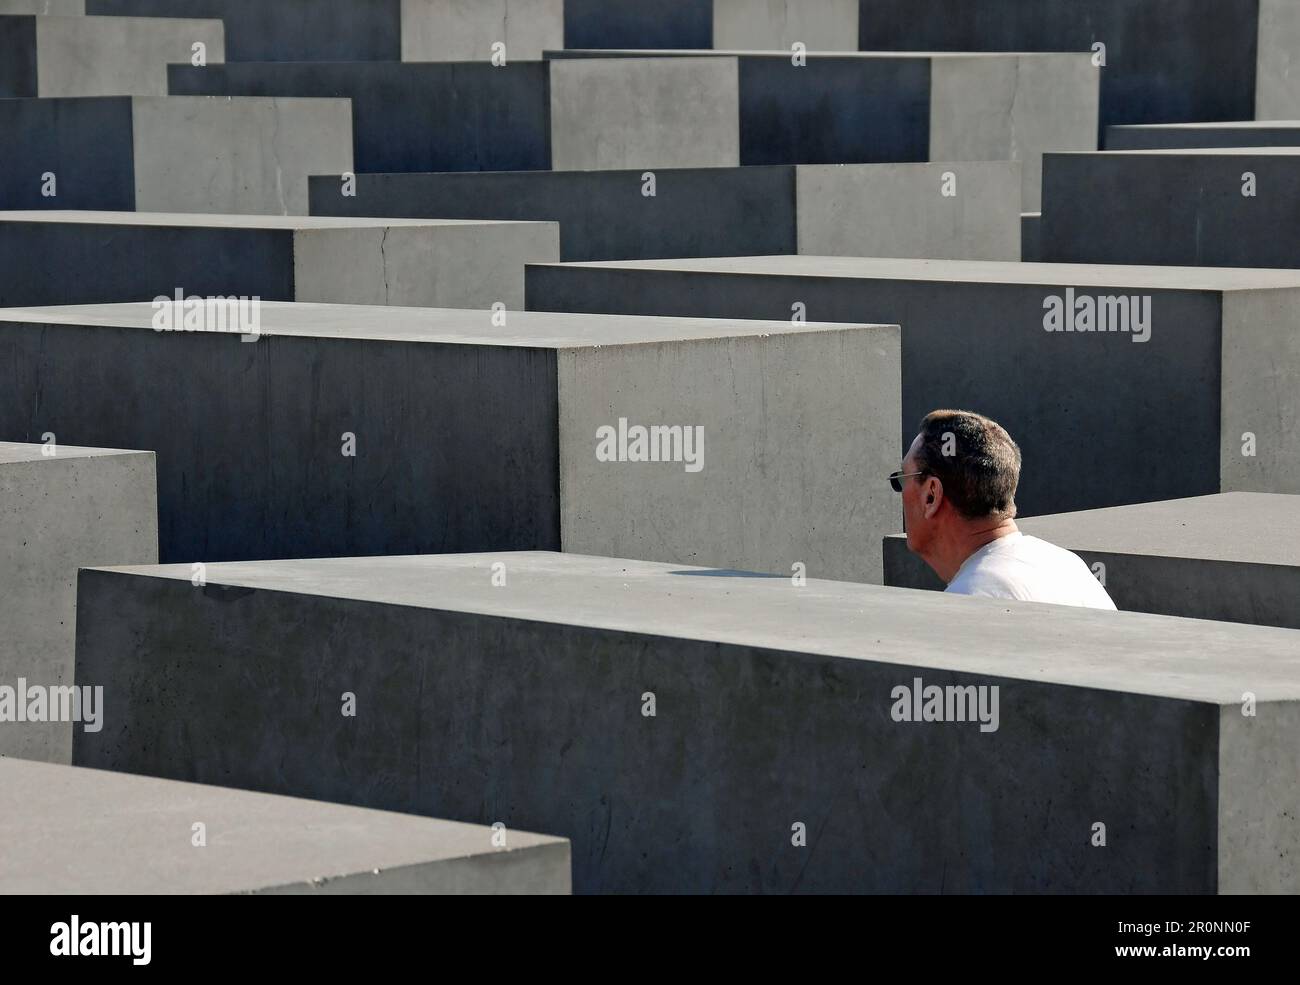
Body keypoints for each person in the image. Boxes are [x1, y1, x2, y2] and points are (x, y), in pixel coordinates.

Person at [889, 409, 1116, 610]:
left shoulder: (971, 600)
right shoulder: (1068, 566)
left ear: (931, 495)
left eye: (903, 478)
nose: (900, 490)